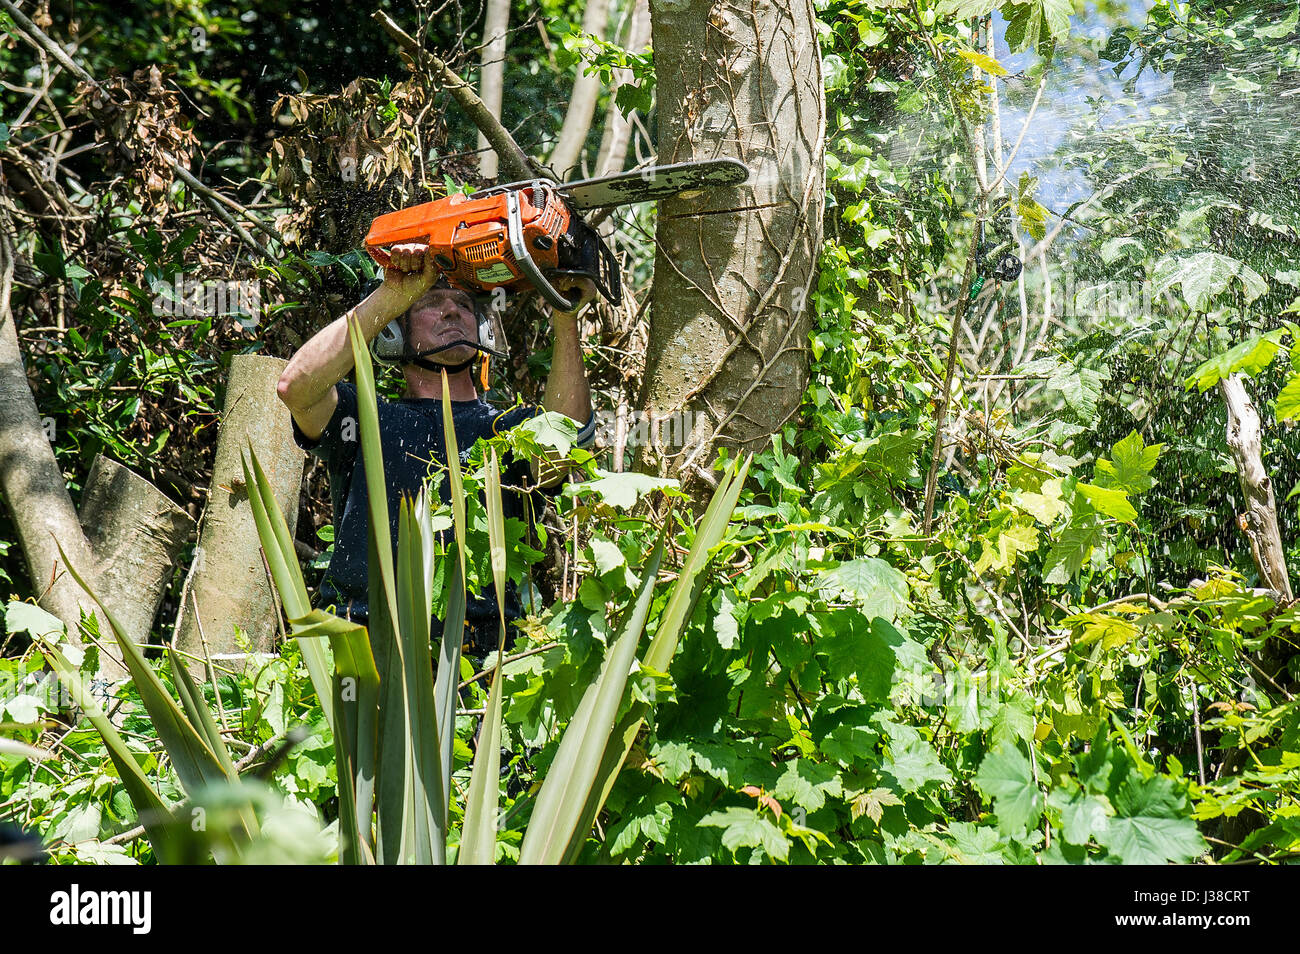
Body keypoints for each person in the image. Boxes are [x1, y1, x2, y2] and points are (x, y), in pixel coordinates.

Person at [276, 241, 595, 658]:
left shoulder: (510, 427)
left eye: (463, 305)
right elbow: (295, 387)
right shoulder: (364, 417)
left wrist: (565, 316)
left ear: (481, 328)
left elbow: (563, 445)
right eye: (431, 303)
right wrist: (393, 295)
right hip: (362, 648)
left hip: (476, 660)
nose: (452, 312)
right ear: (394, 330)